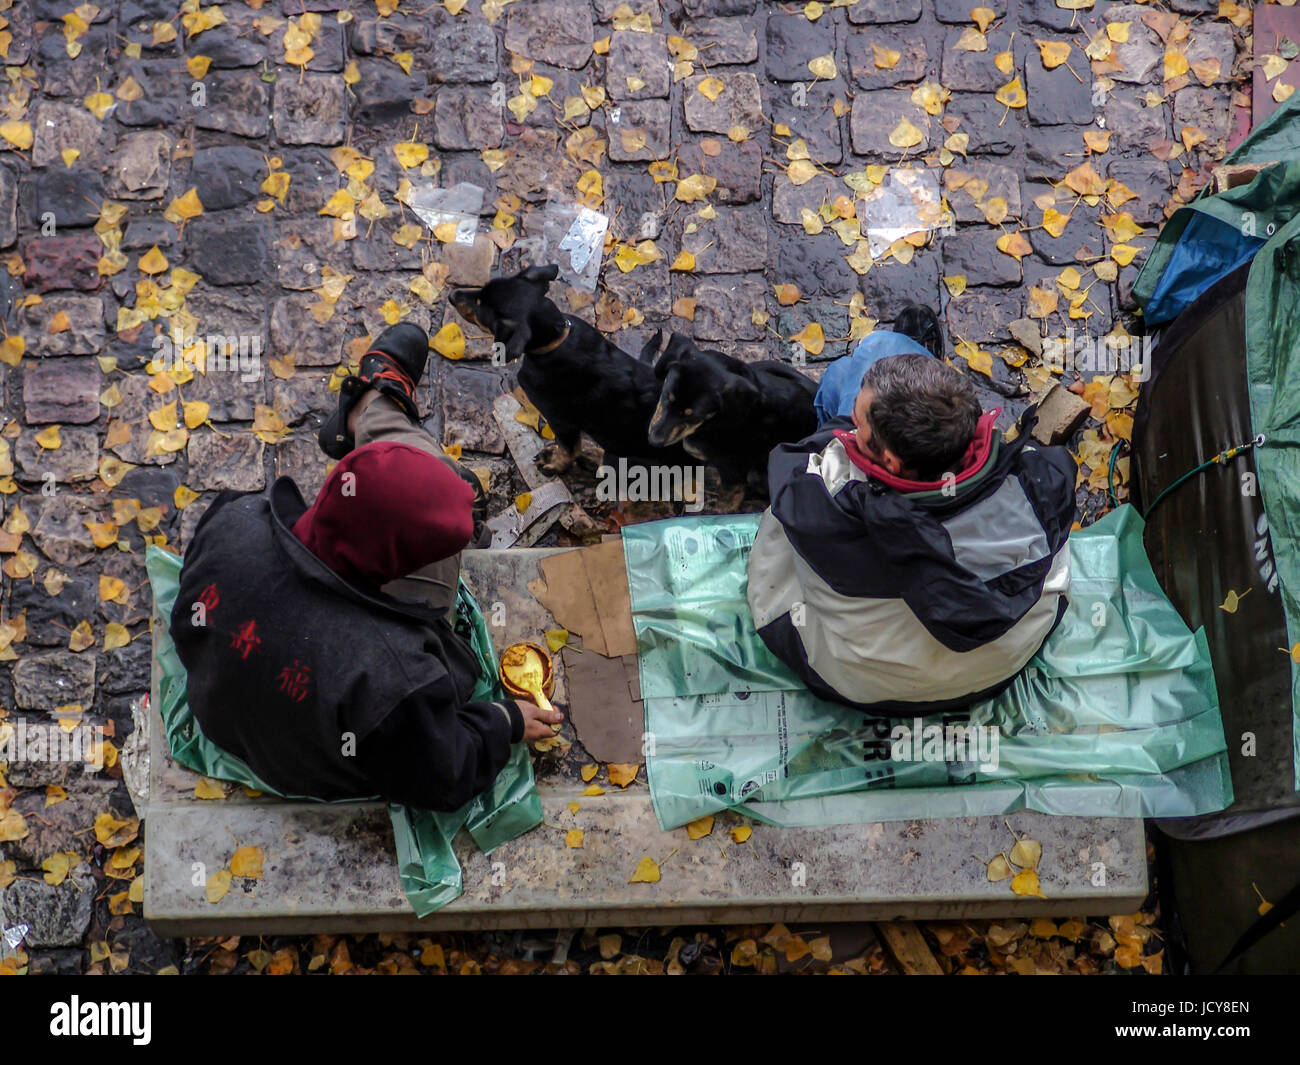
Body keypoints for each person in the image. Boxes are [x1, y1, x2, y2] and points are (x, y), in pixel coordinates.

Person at [169, 324, 562, 810]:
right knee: (428, 484)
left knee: (404, 480)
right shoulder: (396, 677)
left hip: (223, 712)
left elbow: (188, 619)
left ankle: (372, 409)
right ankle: (374, 409)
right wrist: (504, 722)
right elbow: (444, 776)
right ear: (399, 569)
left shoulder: (236, 521)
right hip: (315, 763)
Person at [746, 306, 1077, 715]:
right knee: (881, 356)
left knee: (857, 367)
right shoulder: (1040, 479)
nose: (851, 427)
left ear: (891, 464)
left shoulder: (824, 500)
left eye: (858, 427)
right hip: (1000, 666)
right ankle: (915, 354)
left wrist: (833, 435)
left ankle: (885, 362)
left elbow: (787, 477)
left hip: (859, 684)